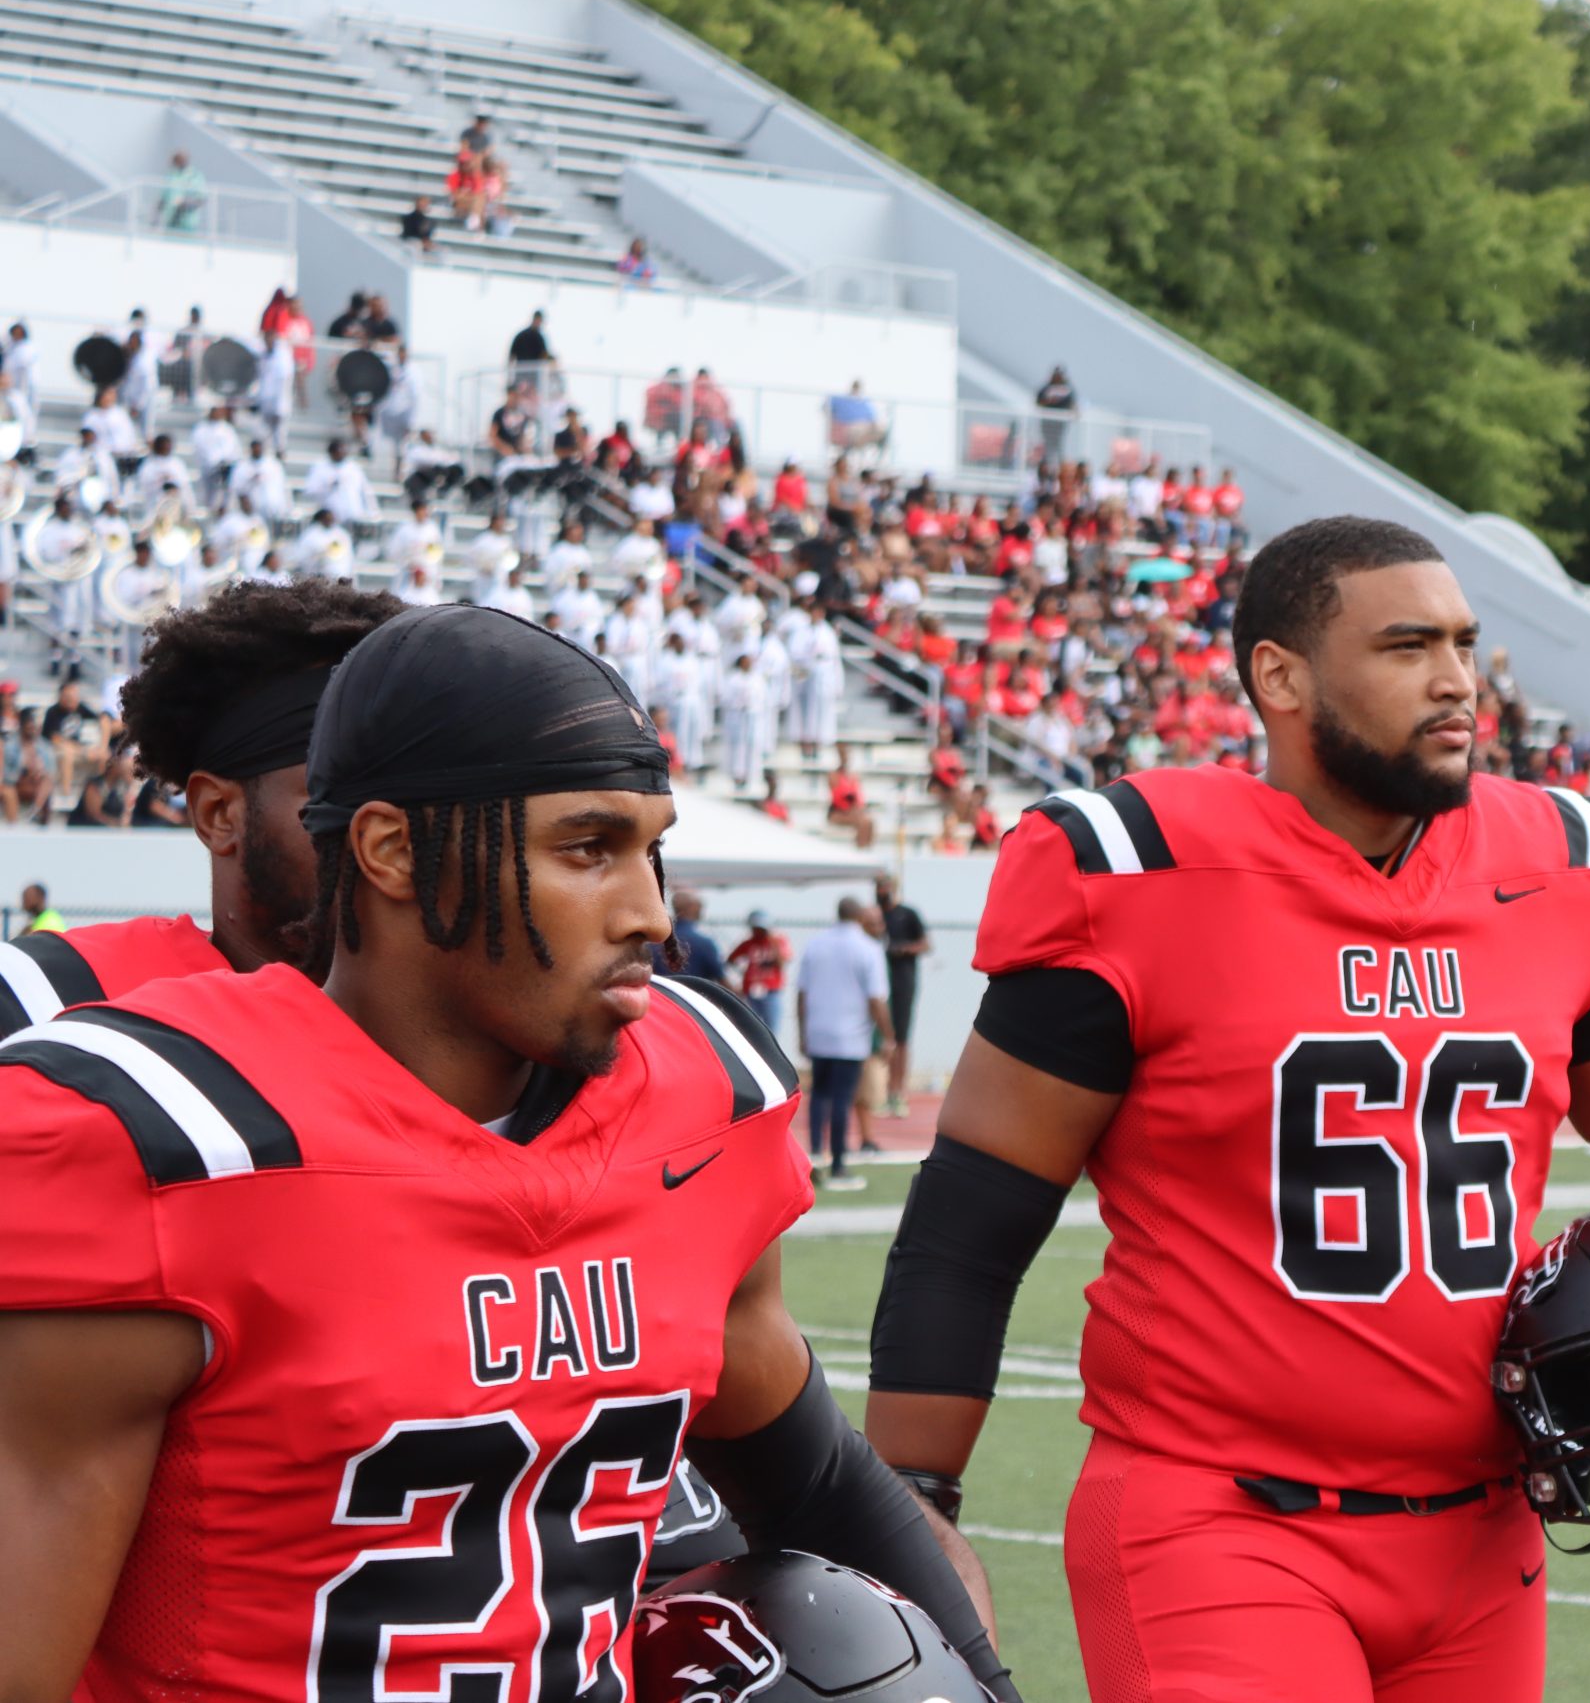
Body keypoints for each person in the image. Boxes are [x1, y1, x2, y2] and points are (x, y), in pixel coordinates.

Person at [0, 603, 1016, 1703]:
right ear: (392, 850)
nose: (651, 913)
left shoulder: (696, 1101)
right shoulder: (156, 1142)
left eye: (650, 849)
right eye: (587, 849)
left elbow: (816, 1482)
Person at [863, 514, 1590, 1703]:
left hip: (1486, 1534)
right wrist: (914, 1497)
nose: (1456, 681)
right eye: (1408, 646)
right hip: (1219, 1522)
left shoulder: (1554, 864)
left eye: (1462, 644)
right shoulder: (1137, 869)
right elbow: (974, 1215)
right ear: (1280, 677)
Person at [0, 583, 402, 1035]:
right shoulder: (50, 1001)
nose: (392, 831)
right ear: (218, 814)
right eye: (340, 798)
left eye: (410, 799)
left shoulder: (445, 1039)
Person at [800, 896, 891, 1182]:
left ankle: (816, 1154)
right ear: (860, 917)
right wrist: (888, 1036)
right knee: (841, 1097)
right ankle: (838, 1163)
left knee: (819, 1095)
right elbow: (876, 998)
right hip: (851, 1037)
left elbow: (802, 993)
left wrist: (803, 1032)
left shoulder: (816, 944)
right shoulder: (869, 949)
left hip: (819, 1031)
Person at [875, 871, 928, 1117]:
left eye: (885, 887)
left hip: (902, 983)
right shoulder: (873, 916)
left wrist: (905, 949)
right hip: (877, 986)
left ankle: (897, 1091)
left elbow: (925, 944)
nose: (882, 891)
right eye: (879, 887)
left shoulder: (908, 914)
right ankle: (878, 1090)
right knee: (878, 1038)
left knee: (901, 1038)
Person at [726, 908, 791, 1034]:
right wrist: (744, 972)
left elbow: (782, 963)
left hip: (770, 990)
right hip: (751, 990)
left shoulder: (777, 941)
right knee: (751, 1029)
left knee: (771, 1029)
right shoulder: (748, 943)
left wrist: (773, 942)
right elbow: (731, 959)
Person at [651, 885, 723, 983]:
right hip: (695, 992)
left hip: (662, 991)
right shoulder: (705, 943)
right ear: (692, 908)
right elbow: (721, 978)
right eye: (699, 906)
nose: (701, 910)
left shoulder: (656, 941)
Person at [157, 151, 206, 233]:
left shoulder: (195, 175)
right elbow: (163, 198)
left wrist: (185, 203)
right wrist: (155, 217)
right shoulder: (171, 175)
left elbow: (201, 199)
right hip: (170, 221)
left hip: (188, 224)